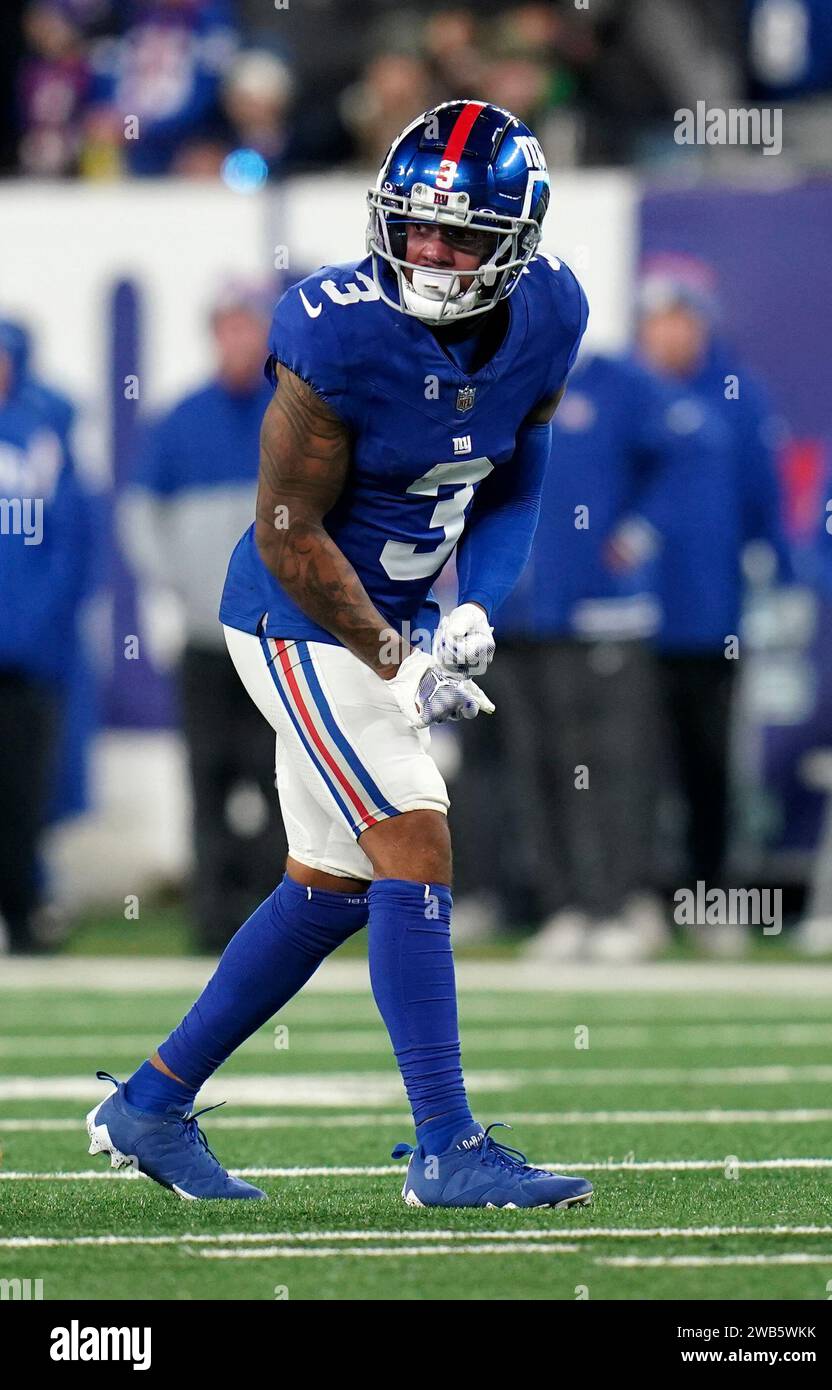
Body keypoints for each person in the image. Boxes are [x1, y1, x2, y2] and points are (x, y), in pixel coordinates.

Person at [87, 99, 594, 1209]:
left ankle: (151, 1103)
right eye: (410, 226)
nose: (426, 250)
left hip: (387, 620)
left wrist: (476, 608)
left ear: (515, 242)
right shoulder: (335, 328)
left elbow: (514, 476)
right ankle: (445, 1146)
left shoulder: (549, 310)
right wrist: (393, 658)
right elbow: (285, 531)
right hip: (295, 619)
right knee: (415, 834)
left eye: (456, 235)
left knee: (329, 886)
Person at [450, 348, 675, 961]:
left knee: (607, 764)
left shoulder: (619, 383)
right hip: (517, 615)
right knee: (538, 764)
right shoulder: (489, 386)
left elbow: (685, 457)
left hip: (600, 613)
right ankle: (568, 905)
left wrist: (637, 532)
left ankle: (620, 902)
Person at [120, 280, 286, 952]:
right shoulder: (181, 419)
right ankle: (213, 916)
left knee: (279, 780)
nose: (239, 341)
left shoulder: (294, 414)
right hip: (204, 639)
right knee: (209, 774)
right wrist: (187, 588)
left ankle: (278, 917)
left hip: (277, 639)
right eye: (229, 328)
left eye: (248, 327)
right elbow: (138, 518)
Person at [636, 256, 793, 906]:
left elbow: (766, 503)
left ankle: (708, 896)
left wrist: (780, 583)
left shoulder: (739, 394)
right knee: (632, 771)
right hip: (633, 619)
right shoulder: (626, 392)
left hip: (712, 620)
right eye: (658, 322)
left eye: (681, 320)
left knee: (710, 765)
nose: (669, 335)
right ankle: (634, 898)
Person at [0, 324, 87, 952]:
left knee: (25, 795)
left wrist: (37, 631)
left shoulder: (45, 437)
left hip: (30, 659)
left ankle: (25, 911)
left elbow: (74, 546)